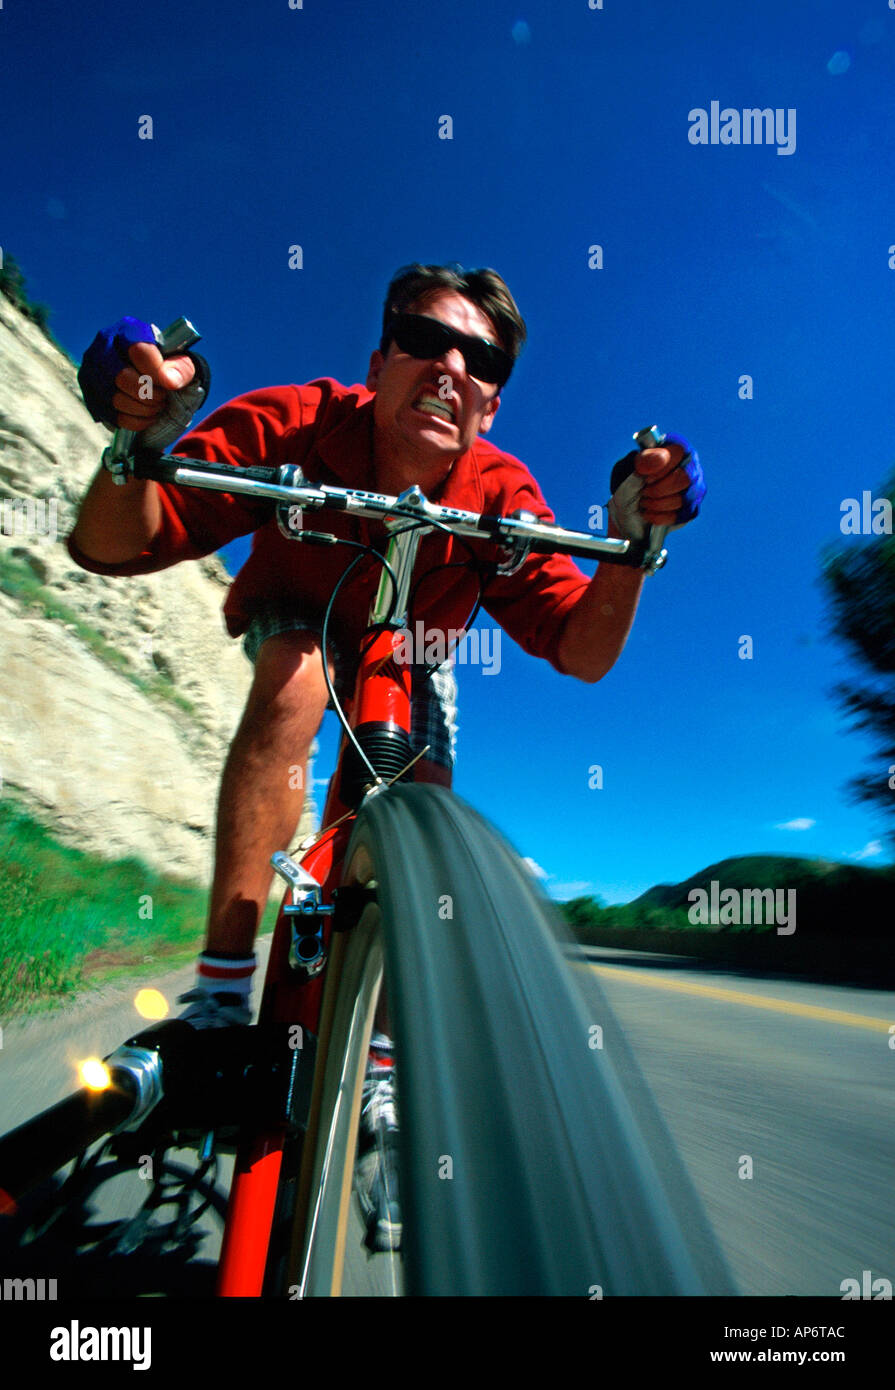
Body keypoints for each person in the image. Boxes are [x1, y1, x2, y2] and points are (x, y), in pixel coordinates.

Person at [70, 262, 704, 1249]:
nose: (449, 365)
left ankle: (383, 1050)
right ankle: (222, 994)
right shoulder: (294, 418)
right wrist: (135, 447)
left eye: (479, 358)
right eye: (422, 338)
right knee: (292, 679)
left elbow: (580, 651)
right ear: (379, 359)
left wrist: (632, 543)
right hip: (302, 615)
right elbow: (113, 546)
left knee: (423, 793)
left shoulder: (503, 490)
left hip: (409, 647)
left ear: (491, 400)